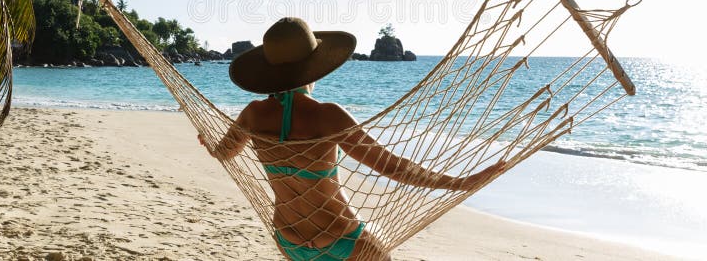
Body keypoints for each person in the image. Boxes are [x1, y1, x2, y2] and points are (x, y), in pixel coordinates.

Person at [198, 17, 505, 261]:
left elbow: (223, 153)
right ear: (313, 68)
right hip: (340, 240)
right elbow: (392, 166)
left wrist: (209, 142)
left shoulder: (252, 114)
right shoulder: (328, 116)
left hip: (288, 240)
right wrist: (462, 182)